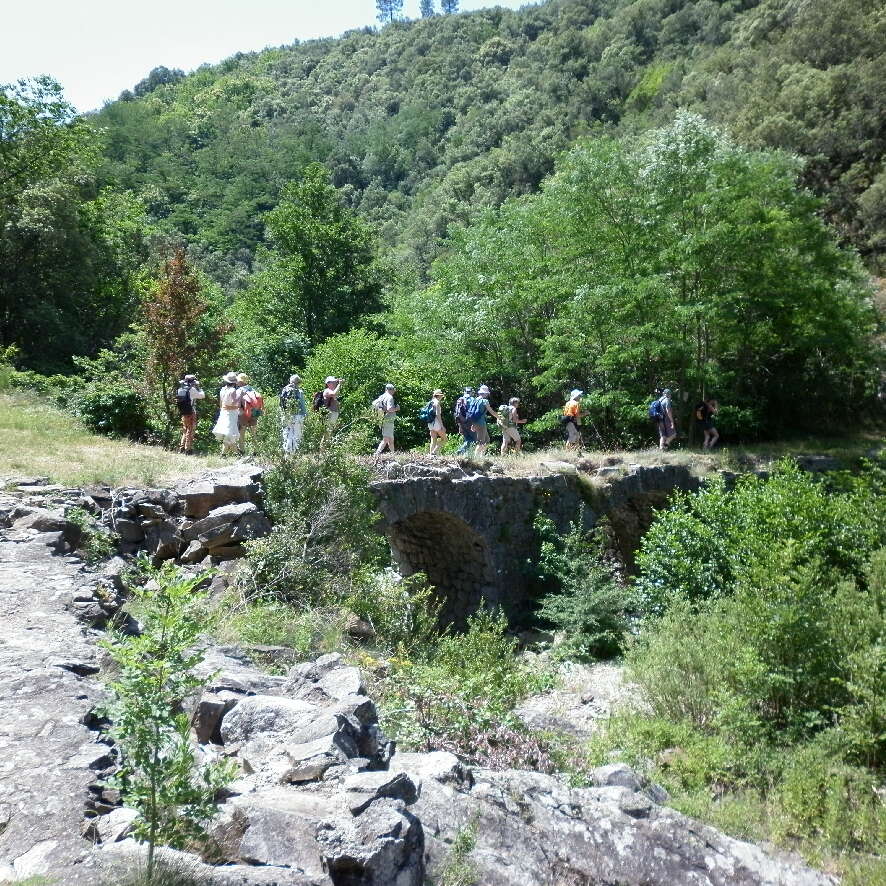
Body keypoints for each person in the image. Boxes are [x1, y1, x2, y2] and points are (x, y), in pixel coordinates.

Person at [212, 372, 242, 456]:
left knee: (228, 433)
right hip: (231, 414)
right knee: (229, 433)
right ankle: (234, 453)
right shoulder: (233, 391)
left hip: (223, 412)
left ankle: (228, 453)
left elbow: (221, 403)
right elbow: (234, 403)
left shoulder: (223, 389)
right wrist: (240, 397)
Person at [175, 373, 205, 454]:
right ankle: (188, 449)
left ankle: (181, 448)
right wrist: (199, 387)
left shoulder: (180, 389)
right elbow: (202, 396)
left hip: (183, 412)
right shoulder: (192, 389)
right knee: (190, 431)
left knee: (185, 430)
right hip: (191, 412)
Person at [280, 374, 307, 453]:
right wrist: (305, 415)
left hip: (286, 414)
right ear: (298, 382)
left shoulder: (284, 390)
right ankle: (295, 453)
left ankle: (287, 453)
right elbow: (302, 406)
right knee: (297, 435)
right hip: (298, 415)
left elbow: (281, 404)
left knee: (287, 433)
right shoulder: (299, 391)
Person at [236, 373, 263, 453]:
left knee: (242, 433)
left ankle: (242, 450)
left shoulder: (239, 391)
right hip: (254, 413)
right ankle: (256, 450)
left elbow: (237, 404)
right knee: (254, 433)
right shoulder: (252, 389)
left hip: (243, 414)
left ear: (241, 382)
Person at [470, 384, 499, 457]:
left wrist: (473, 424)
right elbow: (491, 411)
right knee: (481, 442)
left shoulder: (475, 400)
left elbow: (472, 413)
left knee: (487, 440)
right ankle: (476, 459)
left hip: (476, 422)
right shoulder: (484, 401)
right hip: (481, 423)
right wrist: (498, 417)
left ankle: (482, 457)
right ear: (485, 393)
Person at [373, 383, 399, 456]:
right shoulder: (389, 397)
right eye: (393, 390)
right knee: (386, 439)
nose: (394, 391)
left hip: (382, 419)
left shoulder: (381, 396)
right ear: (391, 390)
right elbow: (389, 409)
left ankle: (393, 454)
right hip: (388, 420)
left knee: (391, 438)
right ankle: (377, 453)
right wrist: (397, 408)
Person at [427, 389, 447, 455]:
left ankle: (431, 455)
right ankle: (434, 452)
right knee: (445, 439)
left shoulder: (431, 402)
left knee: (433, 439)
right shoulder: (437, 403)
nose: (442, 397)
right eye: (441, 395)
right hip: (436, 423)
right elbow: (438, 415)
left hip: (430, 423)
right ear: (439, 396)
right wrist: (442, 426)